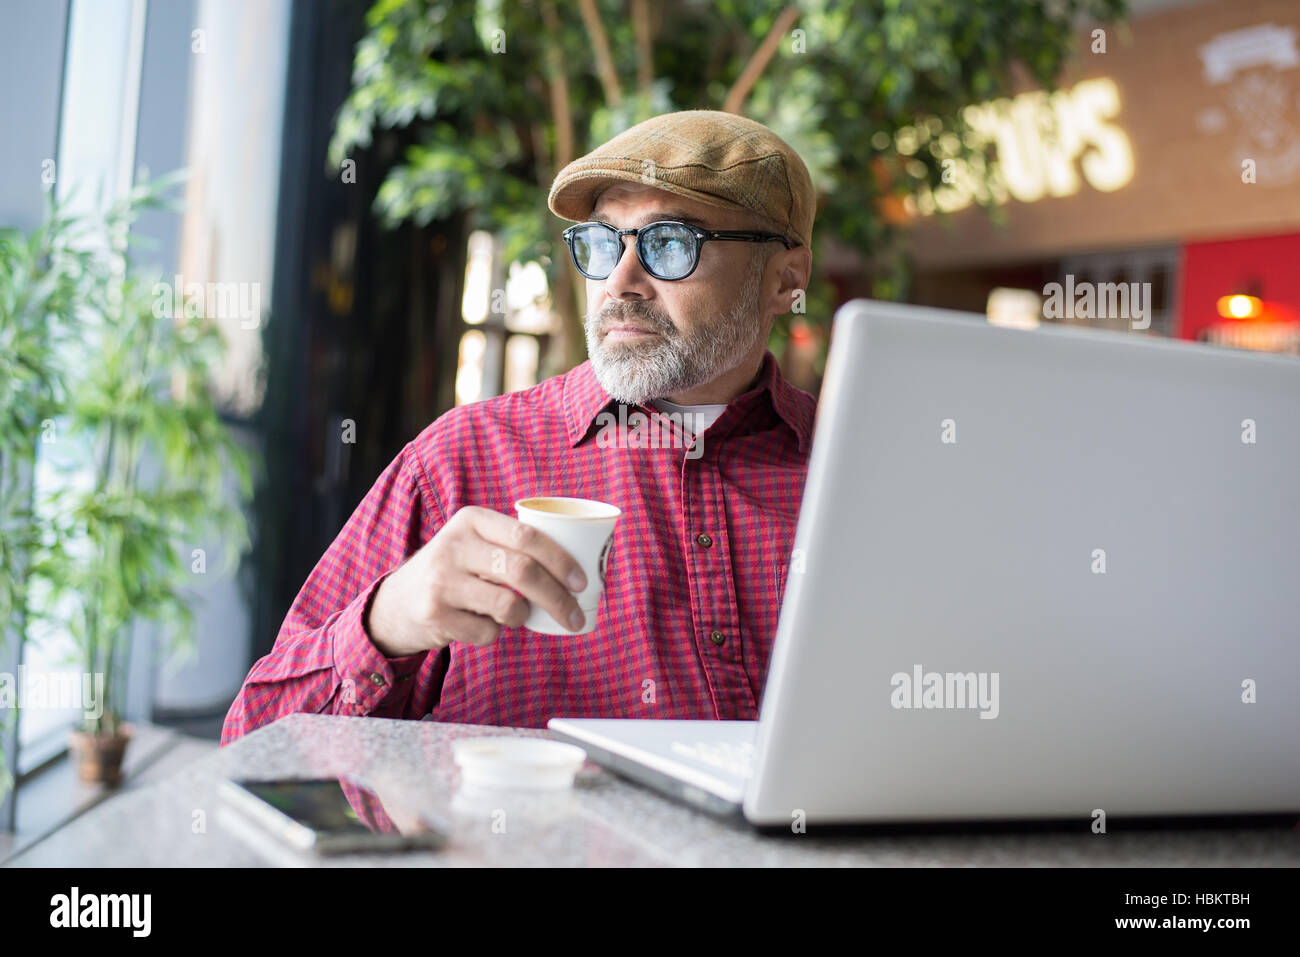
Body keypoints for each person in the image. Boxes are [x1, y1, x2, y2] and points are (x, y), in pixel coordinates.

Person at [221, 109, 817, 744]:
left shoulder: (858, 467)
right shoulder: (459, 462)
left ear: (786, 280)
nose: (619, 280)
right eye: (603, 242)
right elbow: (254, 743)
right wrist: (388, 622)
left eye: (671, 243)